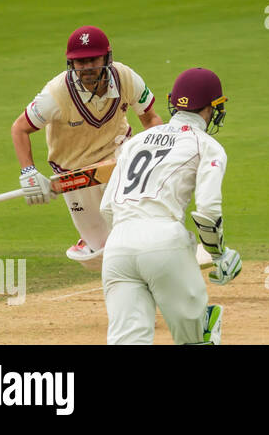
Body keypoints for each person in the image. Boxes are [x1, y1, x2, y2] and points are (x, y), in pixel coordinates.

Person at [100, 67, 241, 345]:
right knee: (197, 337)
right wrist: (219, 254)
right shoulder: (207, 145)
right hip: (164, 242)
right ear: (213, 108)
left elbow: (107, 207)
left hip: (117, 247)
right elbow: (208, 209)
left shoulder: (135, 142)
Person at [12, 26, 164, 268]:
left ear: (107, 57)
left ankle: (163, 250)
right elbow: (20, 128)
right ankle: (93, 243)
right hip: (76, 173)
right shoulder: (56, 93)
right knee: (101, 251)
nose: (87, 68)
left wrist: (159, 154)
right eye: (79, 62)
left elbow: (151, 119)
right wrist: (28, 172)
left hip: (118, 157)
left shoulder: (125, 77)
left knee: (134, 225)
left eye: (92, 59)